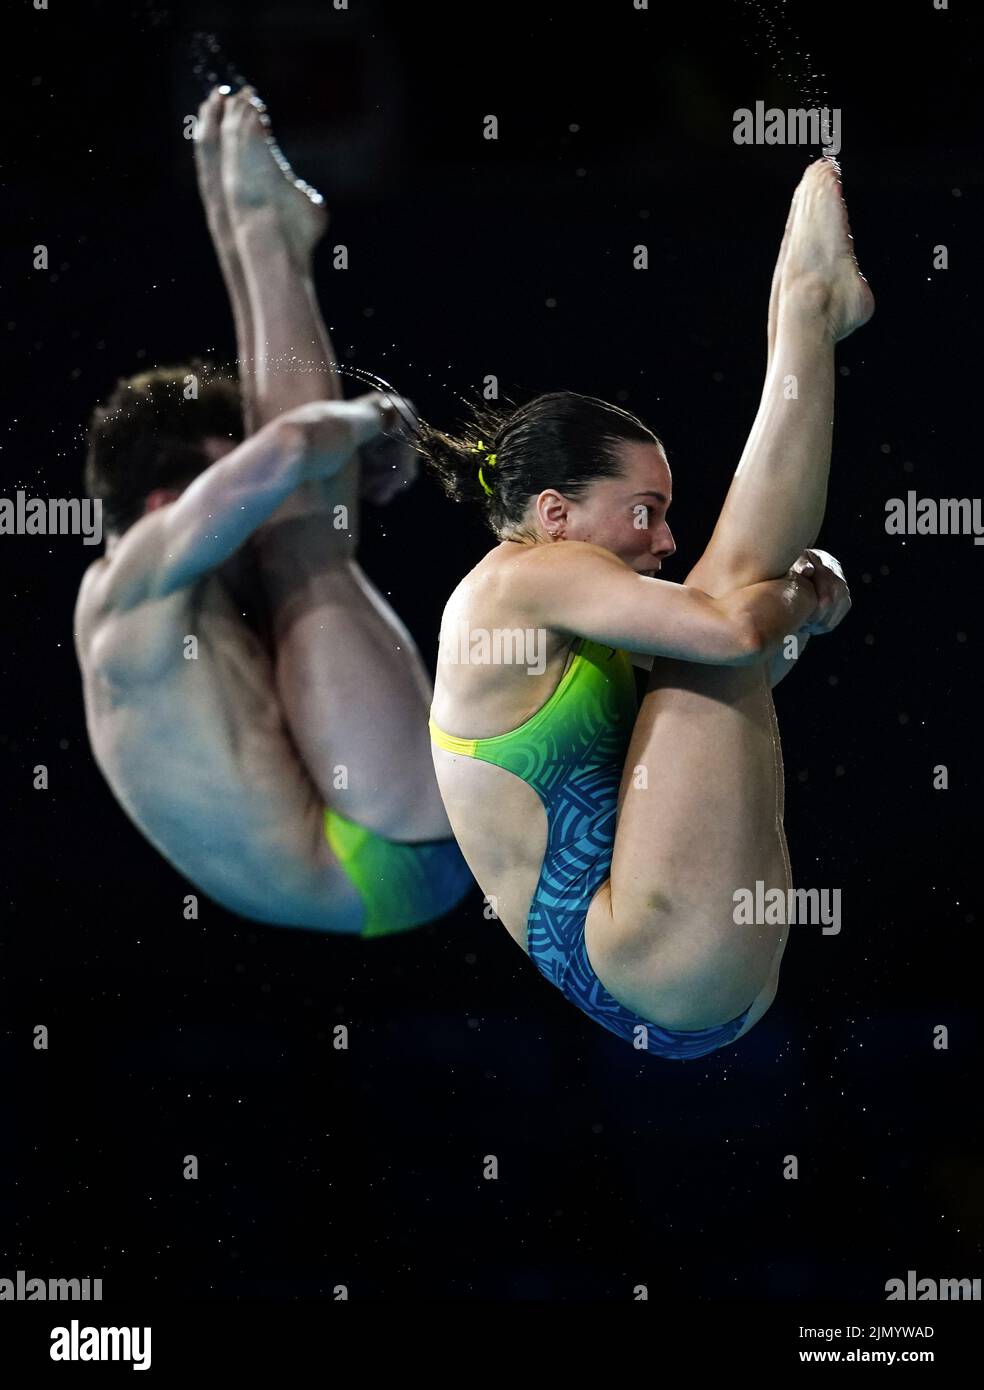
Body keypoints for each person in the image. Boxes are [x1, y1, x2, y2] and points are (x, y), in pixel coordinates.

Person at [423, 156, 873, 1058]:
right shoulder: (517, 579)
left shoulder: (578, 612)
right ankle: (806, 313)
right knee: (720, 601)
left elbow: (745, 653)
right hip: (659, 954)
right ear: (555, 514)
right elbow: (739, 625)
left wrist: (796, 603)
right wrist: (796, 593)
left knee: (715, 619)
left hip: (680, 975)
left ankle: (812, 312)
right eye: (647, 511)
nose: (664, 538)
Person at [75, 87, 472, 935]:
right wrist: (384, 418)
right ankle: (262, 233)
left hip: (363, 831)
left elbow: (280, 445)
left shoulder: (137, 590)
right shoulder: (132, 589)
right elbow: (291, 451)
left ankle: (251, 225)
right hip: (382, 856)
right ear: (163, 502)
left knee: (292, 515)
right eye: (226, 478)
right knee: (298, 525)